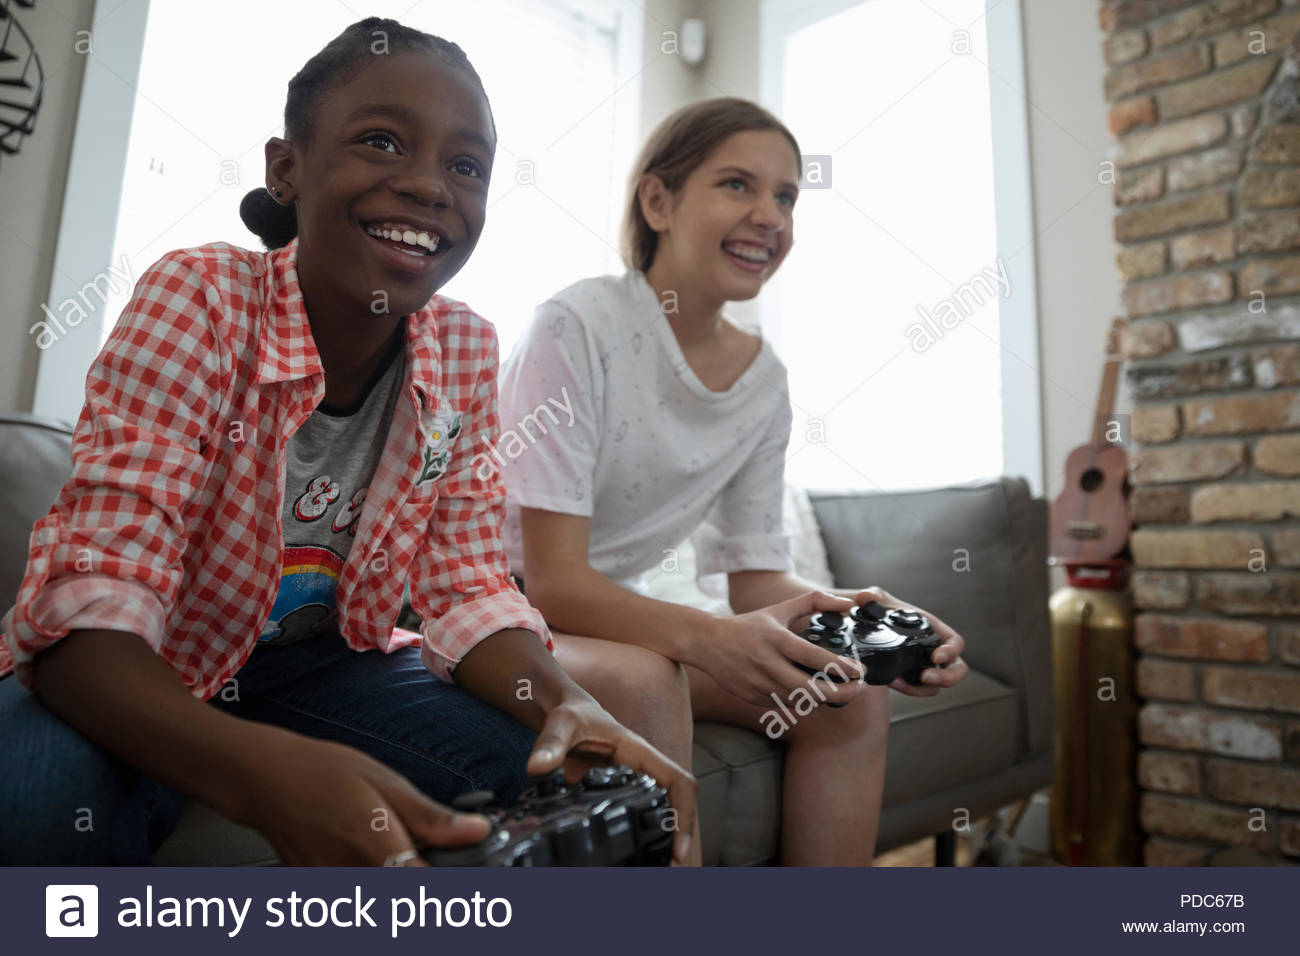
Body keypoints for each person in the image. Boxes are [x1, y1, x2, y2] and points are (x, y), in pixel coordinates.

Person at [0, 18, 694, 867]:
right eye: (381, 141)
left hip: (320, 668)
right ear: (286, 170)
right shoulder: (200, 298)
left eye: (465, 166)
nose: (431, 186)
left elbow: (466, 585)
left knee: (553, 769)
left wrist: (563, 700)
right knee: (33, 794)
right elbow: (88, 619)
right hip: (153, 663)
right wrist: (265, 774)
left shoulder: (465, 347)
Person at [499, 98, 969, 866]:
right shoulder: (577, 326)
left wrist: (867, 615)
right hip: (502, 613)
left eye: (786, 196)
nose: (770, 216)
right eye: (737, 186)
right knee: (650, 678)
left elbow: (754, 579)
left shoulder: (763, 380)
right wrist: (712, 639)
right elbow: (551, 583)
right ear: (658, 201)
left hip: (608, 614)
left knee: (846, 697)